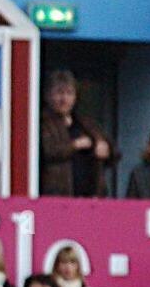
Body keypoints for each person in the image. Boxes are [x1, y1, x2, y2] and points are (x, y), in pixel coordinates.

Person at [39, 70, 116, 198]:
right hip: (57, 198)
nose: (64, 99)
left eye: (69, 93)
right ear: (48, 96)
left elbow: (114, 155)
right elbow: (45, 152)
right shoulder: (43, 123)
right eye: (59, 93)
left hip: (91, 198)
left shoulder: (86, 123)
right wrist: (74, 145)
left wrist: (106, 148)